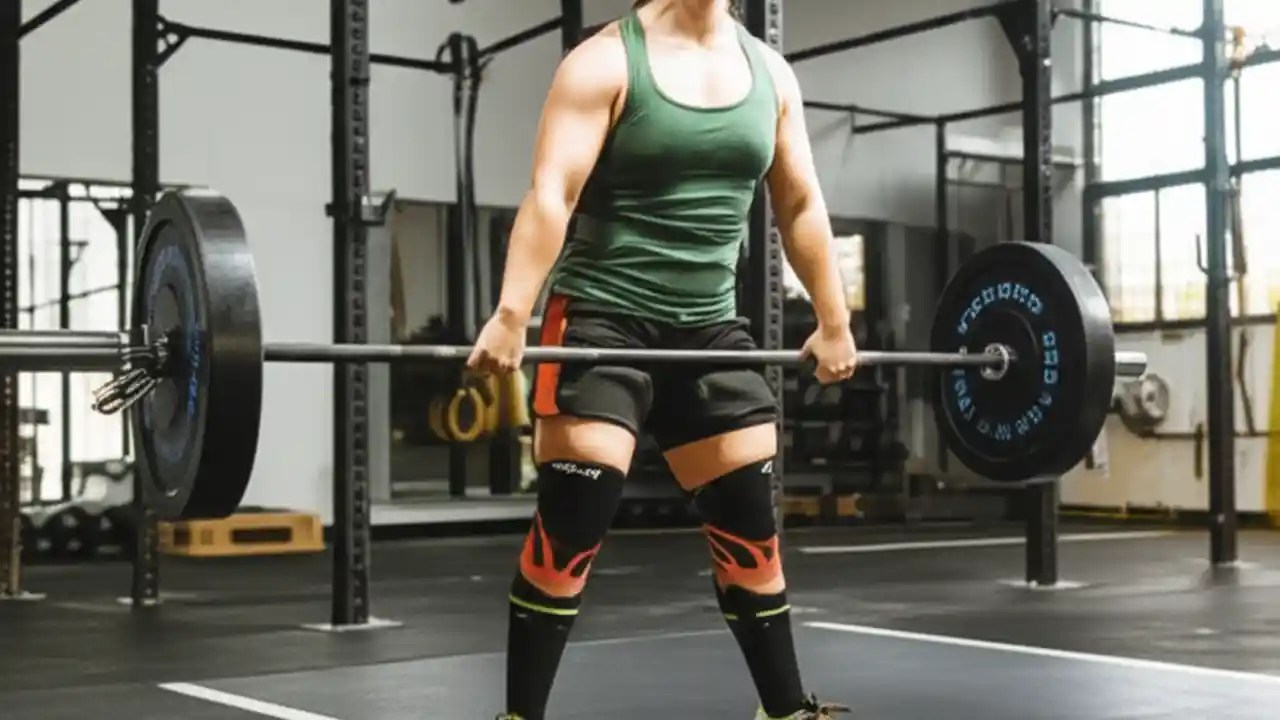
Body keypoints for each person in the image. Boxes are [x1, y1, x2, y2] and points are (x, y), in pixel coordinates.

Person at [469, 1, 855, 718]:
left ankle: (785, 710)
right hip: (600, 321)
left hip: (709, 330)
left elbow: (800, 202)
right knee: (570, 534)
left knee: (752, 537)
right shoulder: (606, 61)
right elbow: (554, 193)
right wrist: (512, 312)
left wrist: (834, 319)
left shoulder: (769, 73)